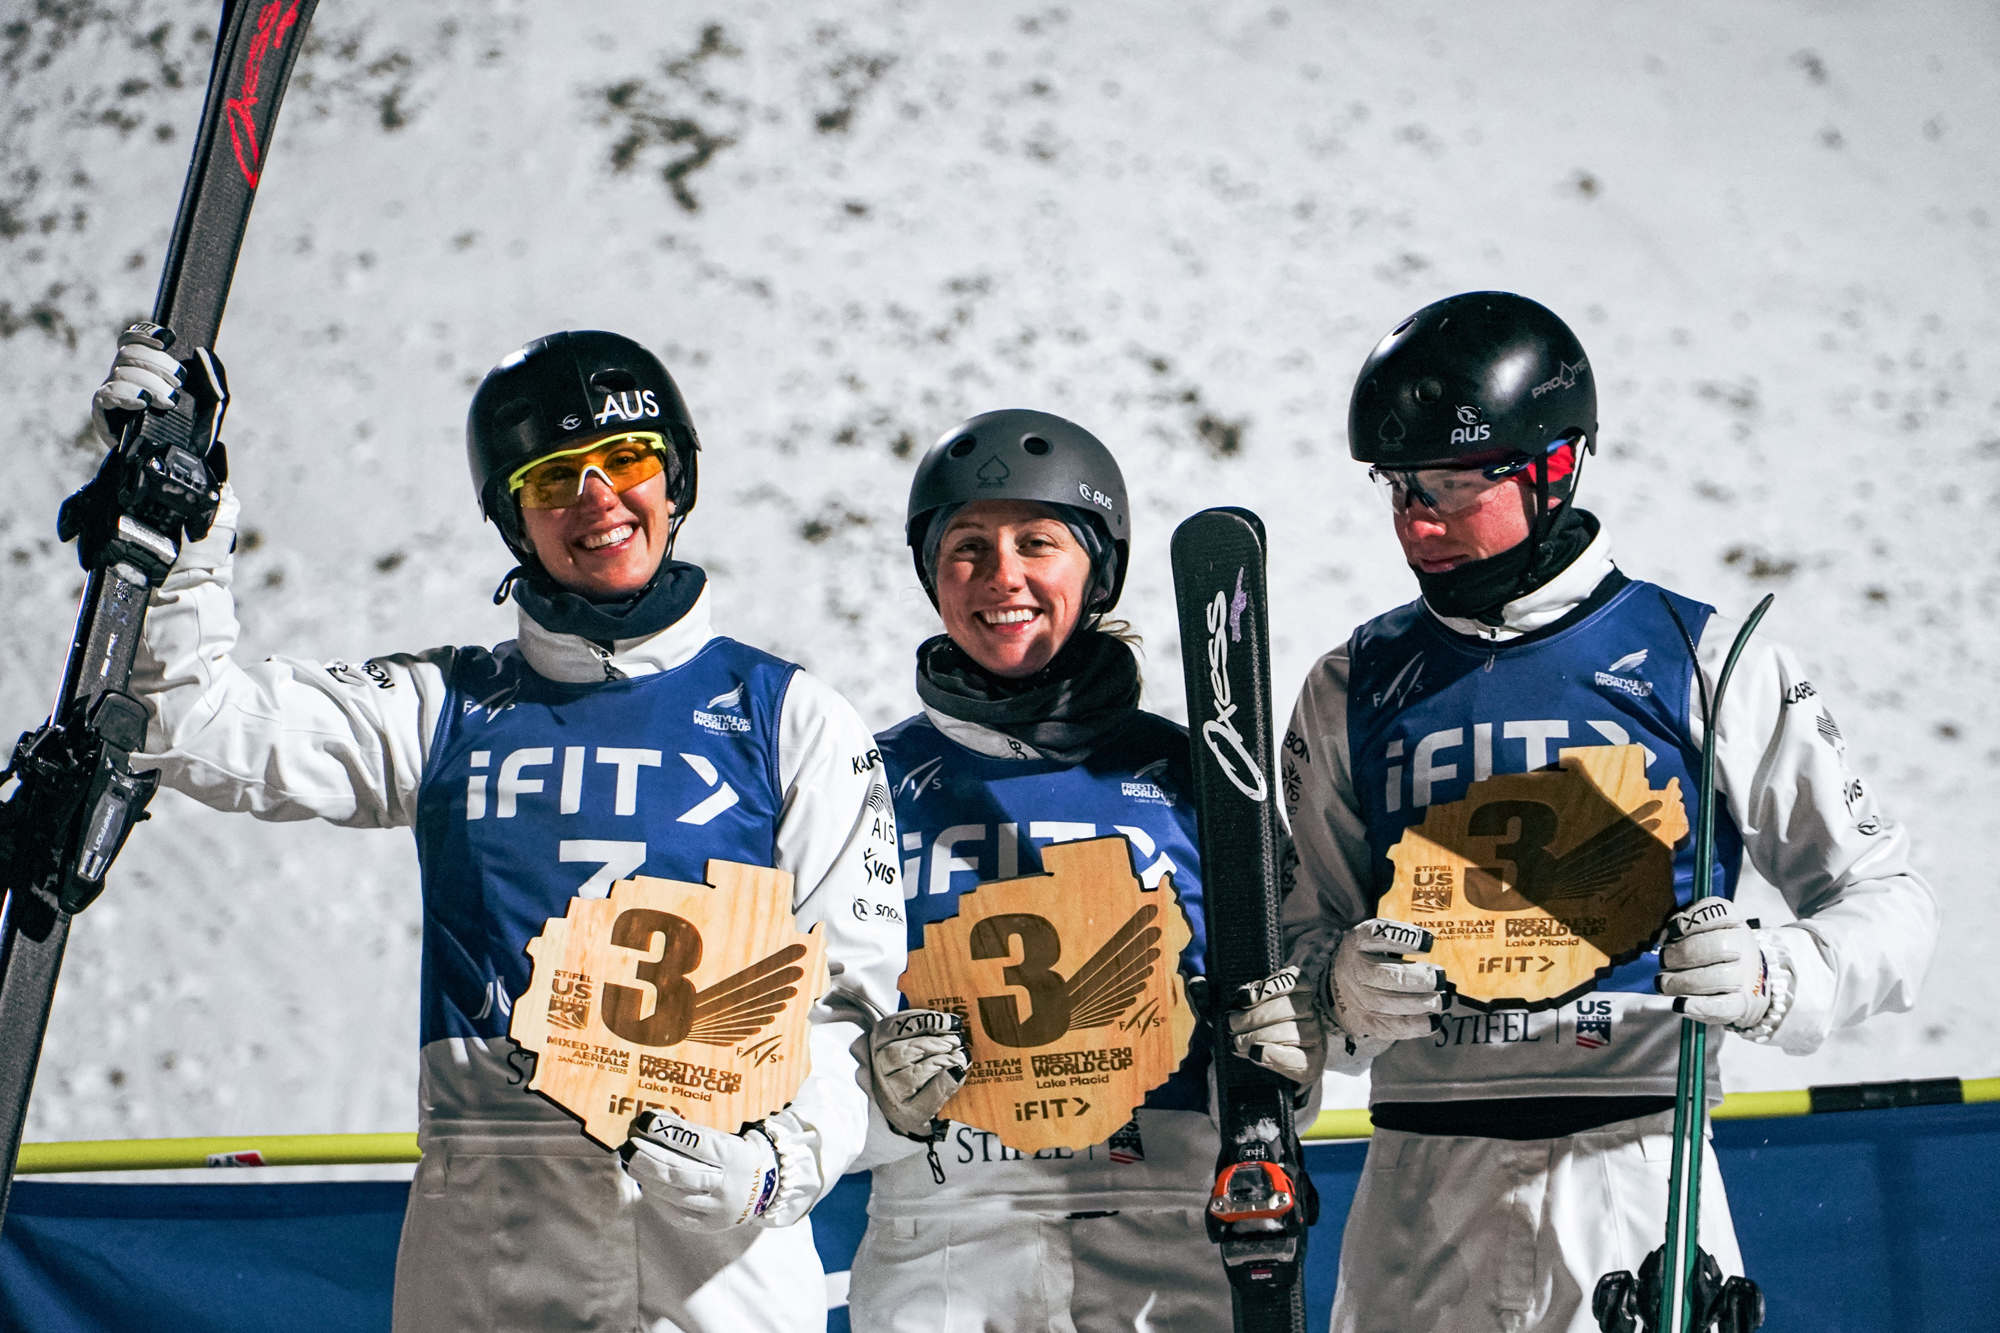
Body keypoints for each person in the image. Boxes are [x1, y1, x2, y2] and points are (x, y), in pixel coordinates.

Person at [92, 327, 906, 1332]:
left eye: (627, 460)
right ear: (513, 518)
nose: (598, 500)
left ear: (677, 477)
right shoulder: (448, 707)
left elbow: (862, 1021)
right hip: (487, 1252)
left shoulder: (795, 719)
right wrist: (182, 537)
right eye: (554, 478)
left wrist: (776, 1161)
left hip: (715, 1249)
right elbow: (189, 722)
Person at [1224, 292, 1940, 1332]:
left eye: (1456, 482)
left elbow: (1888, 899)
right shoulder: (1349, 683)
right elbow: (1293, 939)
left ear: (1554, 465)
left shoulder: (1702, 660)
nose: (1416, 517)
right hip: (1420, 1191)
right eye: (1398, 486)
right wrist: (1334, 989)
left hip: (1639, 1179)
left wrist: (1777, 975)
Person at [844, 409, 1233, 1331]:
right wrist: (875, 1095)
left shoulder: (1197, 776)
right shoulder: (863, 779)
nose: (1002, 576)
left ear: (1097, 567)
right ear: (932, 573)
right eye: (967, 547)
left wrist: (1292, 1036)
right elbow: (812, 1031)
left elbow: (1284, 994)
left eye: (1038, 543)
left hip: (1162, 1241)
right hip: (943, 1240)